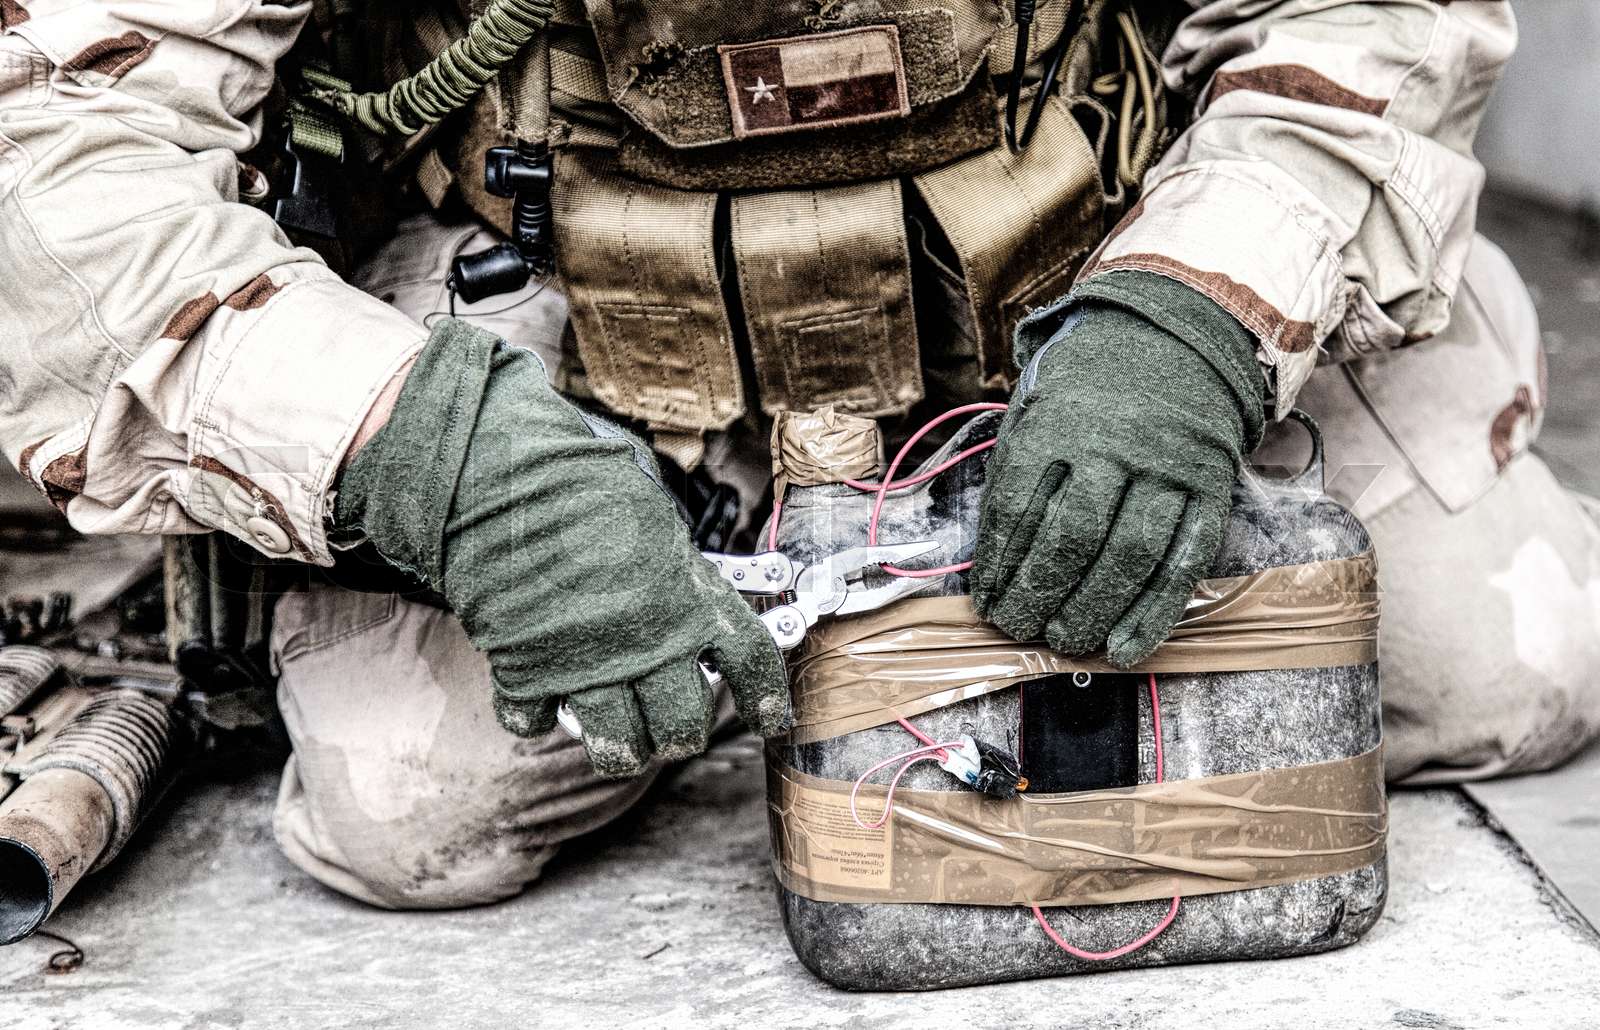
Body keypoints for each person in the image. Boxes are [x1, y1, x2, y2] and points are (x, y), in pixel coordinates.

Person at [3, 0, 1596, 910]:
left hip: (1081, 292)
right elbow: (51, 160)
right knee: (409, 815)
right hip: (586, 357)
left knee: (1512, 667)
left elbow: (1374, 18)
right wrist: (439, 458)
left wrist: (1195, 318)